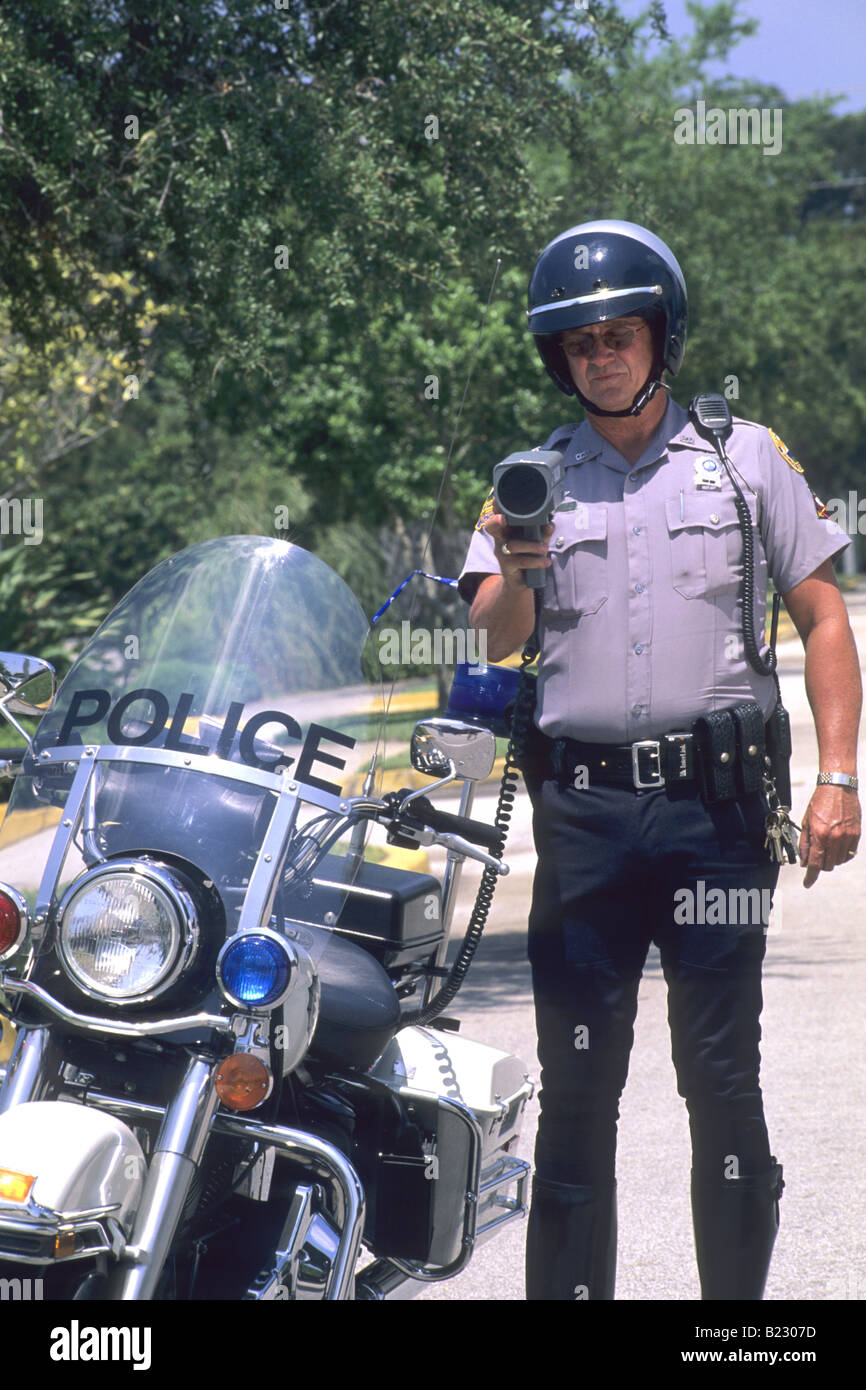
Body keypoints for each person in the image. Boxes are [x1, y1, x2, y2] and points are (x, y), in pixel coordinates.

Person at [458, 220, 861, 1301]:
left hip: (715, 822)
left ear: (658, 335)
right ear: (558, 357)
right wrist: (517, 561)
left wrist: (836, 777)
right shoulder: (528, 483)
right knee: (578, 1093)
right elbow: (493, 640)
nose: (599, 354)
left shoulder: (746, 461)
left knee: (722, 1085)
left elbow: (822, 617)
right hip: (584, 823)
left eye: (618, 332)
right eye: (578, 341)